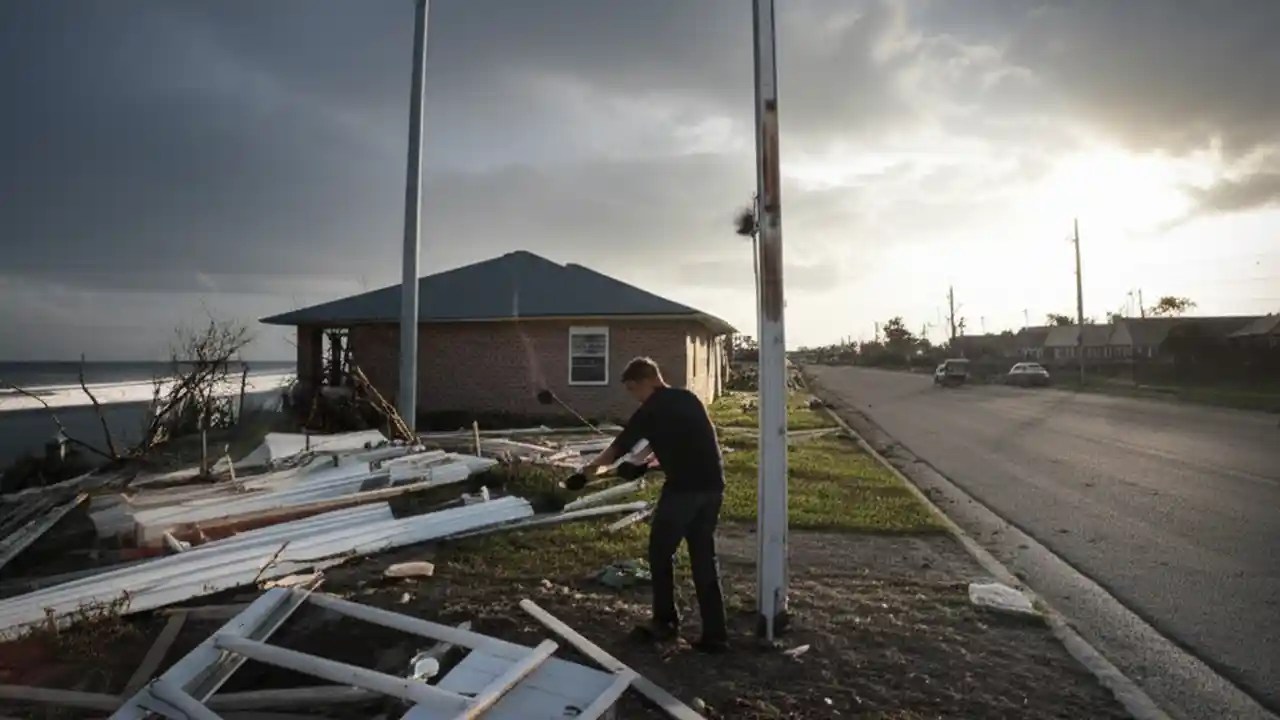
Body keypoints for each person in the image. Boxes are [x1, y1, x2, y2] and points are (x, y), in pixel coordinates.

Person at [568, 356, 729, 653]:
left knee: (659, 552)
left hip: (683, 490)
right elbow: (671, 440)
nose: (633, 396)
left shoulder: (651, 409)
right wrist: (644, 463)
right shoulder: (688, 399)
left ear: (646, 381)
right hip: (713, 487)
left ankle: (665, 622)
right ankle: (716, 634)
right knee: (703, 556)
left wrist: (585, 474)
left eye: (632, 389)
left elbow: (619, 446)